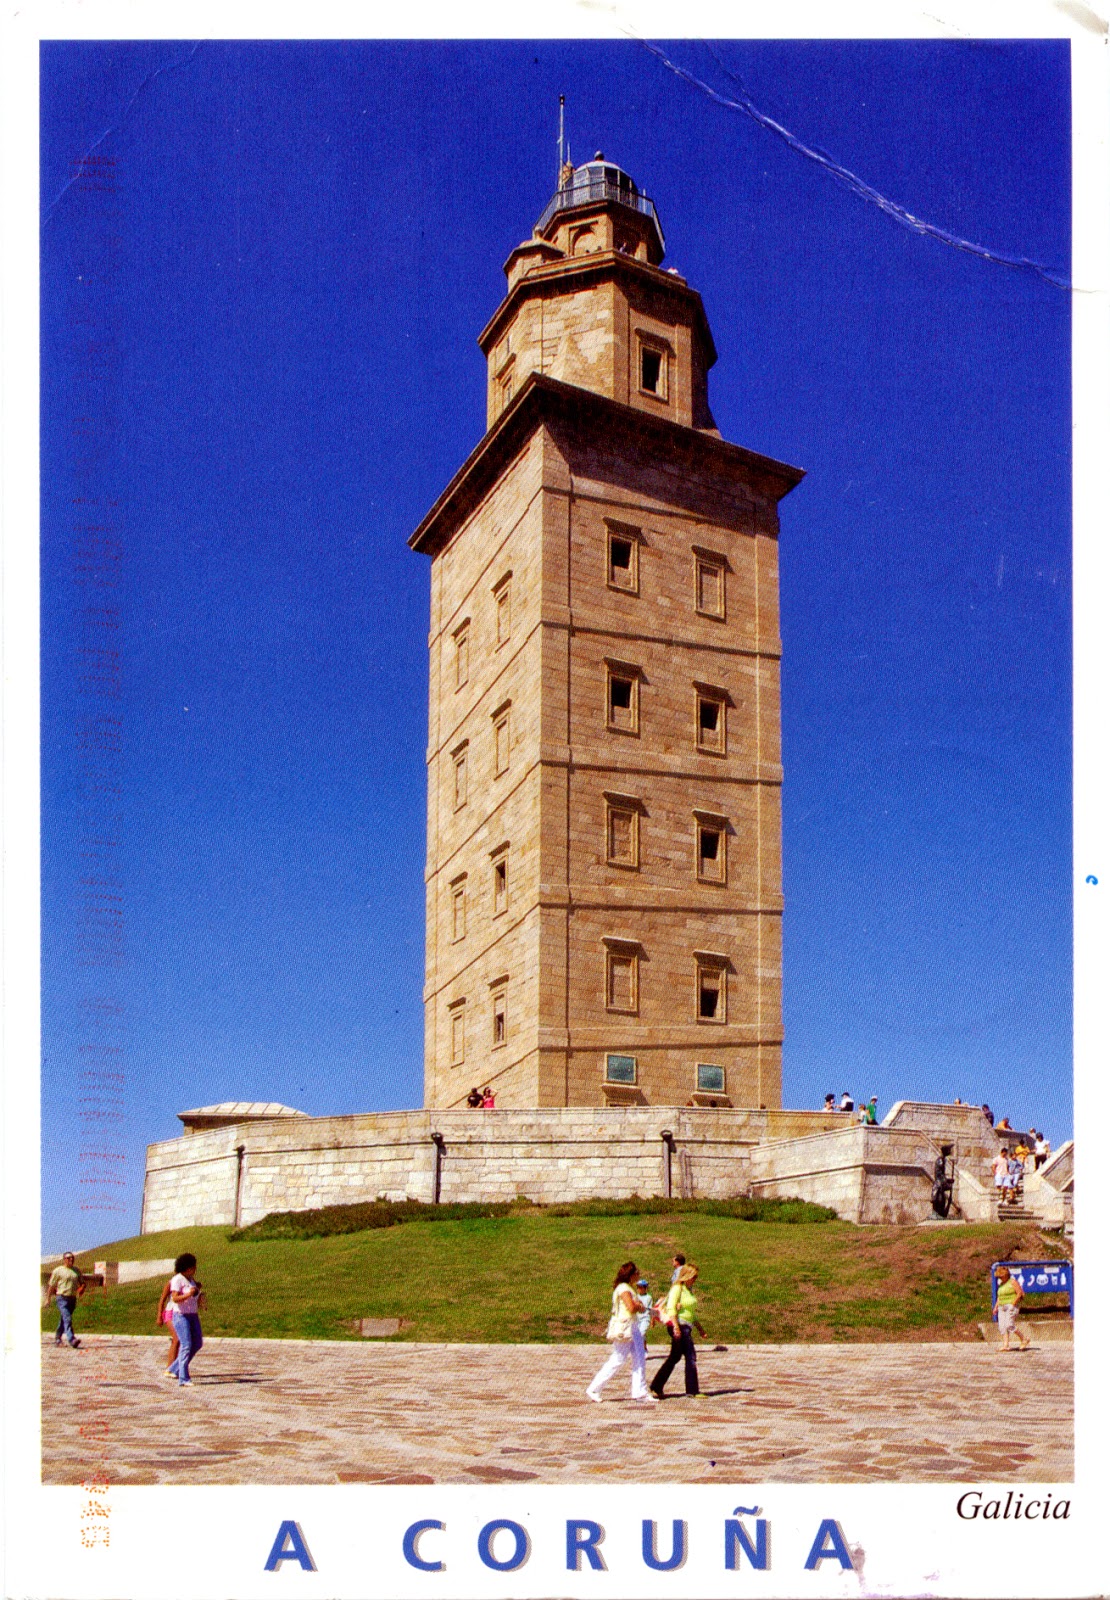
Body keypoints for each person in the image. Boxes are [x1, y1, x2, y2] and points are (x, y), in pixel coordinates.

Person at [586, 1261, 657, 1405]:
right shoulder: (624, 1288)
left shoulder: (627, 1288)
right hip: (625, 1328)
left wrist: (641, 1307)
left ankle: (640, 1392)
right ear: (631, 1275)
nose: (638, 1274)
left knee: (640, 1357)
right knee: (618, 1358)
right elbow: (631, 1307)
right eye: (636, 1272)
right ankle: (594, 1388)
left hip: (633, 1327)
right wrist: (639, 1306)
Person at [650, 1264, 705, 1400]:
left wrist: (700, 1328)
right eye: (693, 1276)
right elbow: (671, 1308)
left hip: (686, 1325)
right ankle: (692, 1390)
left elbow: (690, 1313)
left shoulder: (688, 1290)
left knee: (674, 1357)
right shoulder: (677, 1288)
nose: (695, 1279)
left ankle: (656, 1386)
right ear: (686, 1276)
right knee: (690, 1357)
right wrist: (675, 1326)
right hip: (679, 1326)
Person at [167, 1252, 205, 1387]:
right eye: (194, 1266)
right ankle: (183, 1378)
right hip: (181, 1316)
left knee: (197, 1343)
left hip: (193, 1315)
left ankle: (173, 1368)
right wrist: (189, 1294)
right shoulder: (177, 1279)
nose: (195, 1269)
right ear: (188, 1267)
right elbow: (175, 1298)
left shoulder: (191, 1280)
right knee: (186, 1345)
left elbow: (194, 1295)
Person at [47, 1252, 84, 1348]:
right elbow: (51, 1286)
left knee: (64, 1320)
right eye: (68, 1258)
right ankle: (72, 1339)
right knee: (67, 1318)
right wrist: (48, 1299)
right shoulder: (58, 1271)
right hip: (62, 1298)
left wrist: (81, 1289)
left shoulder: (76, 1271)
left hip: (72, 1298)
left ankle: (58, 1339)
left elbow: (82, 1282)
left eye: (72, 1258)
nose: (71, 1260)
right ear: (64, 1259)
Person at [994, 1265, 1031, 1352]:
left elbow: (1019, 1293)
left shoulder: (1012, 1282)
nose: (1000, 1278)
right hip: (1001, 1307)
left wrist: (1013, 1303)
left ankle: (1024, 1339)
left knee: (1009, 1325)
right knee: (1002, 1326)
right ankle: (1006, 1345)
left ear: (1006, 1275)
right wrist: (996, 1307)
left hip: (1010, 1306)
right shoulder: (1001, 1285)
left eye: (1001, 1276)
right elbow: (999, 1297)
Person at [156, 1275, 181, 1377]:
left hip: (180, 1313)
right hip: (170, 1312)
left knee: (179, 1341)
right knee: (177, 1338)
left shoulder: (189, 1282)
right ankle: (170, 1368)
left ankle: (174, 1367)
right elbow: (162, 1299)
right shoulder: (171, 1282)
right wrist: (159, 1316)